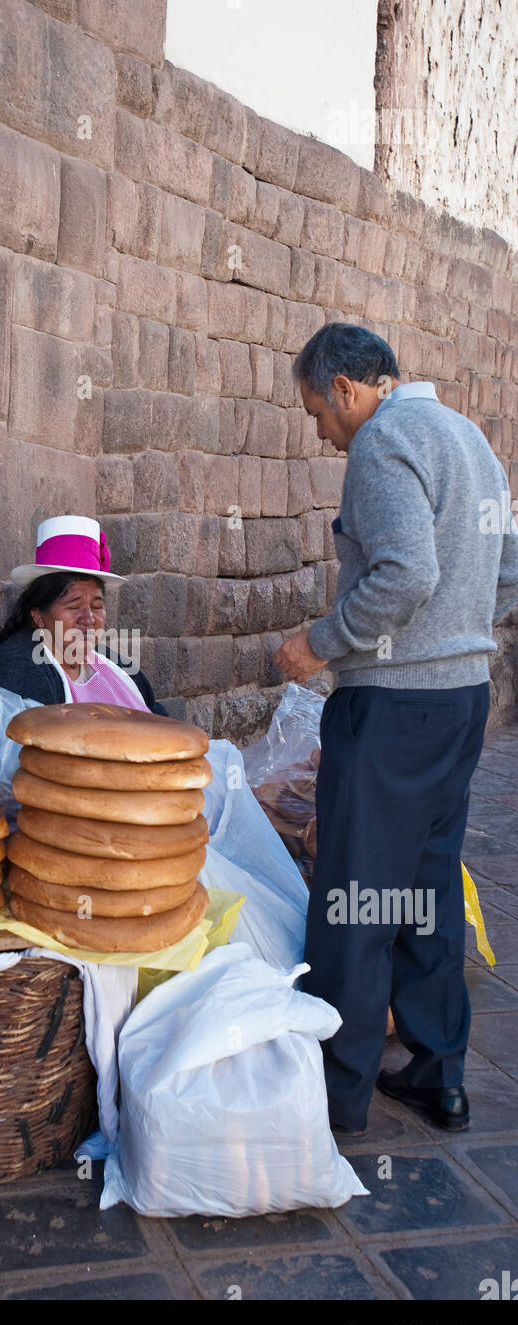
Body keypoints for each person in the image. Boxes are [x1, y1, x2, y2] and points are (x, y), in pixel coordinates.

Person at [274, 321, 518, 1136]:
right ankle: (438, 1074)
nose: (320, 430)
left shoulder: (382, 442)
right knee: (428, 885)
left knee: (353, 892)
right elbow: (508, 564)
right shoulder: (467, 438)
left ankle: (337, 1096)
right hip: (462, 701)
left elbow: (405, 574)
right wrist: (462, 631)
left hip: (393, 707)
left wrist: (320, 643)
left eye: (317, 410)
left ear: (348, 389)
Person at [0, 515, 168, 713]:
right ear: (37, 616)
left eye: (97, 606)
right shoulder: (17, 669)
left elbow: (161, 722)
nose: (89, 619)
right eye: (73, 606)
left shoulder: (113, 665)